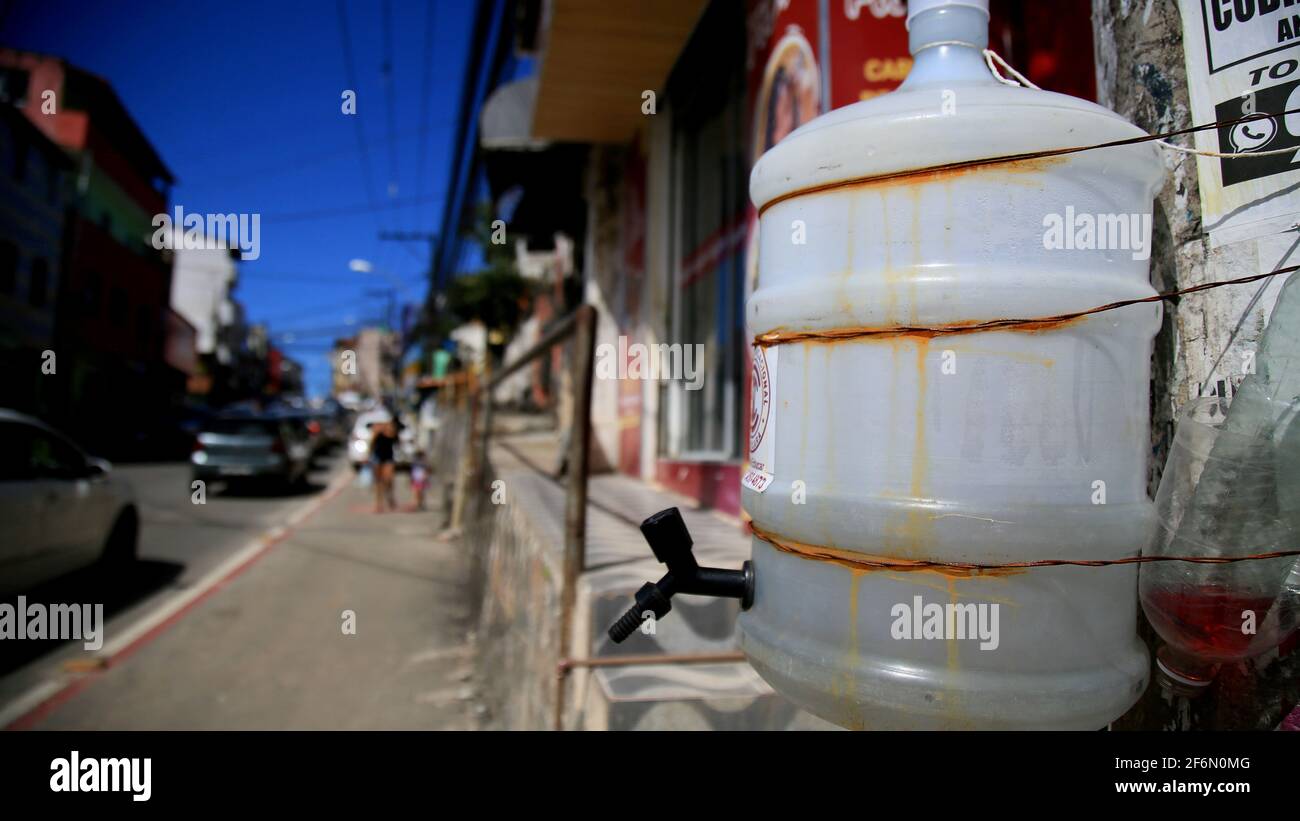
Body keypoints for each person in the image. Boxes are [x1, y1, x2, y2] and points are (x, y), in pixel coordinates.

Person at [369, 420, 398, 513]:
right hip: (378, 458)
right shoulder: (378, 434)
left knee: (388, 479)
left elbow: (395, 440)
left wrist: (390, 430)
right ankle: (378, 503)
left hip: (388, 458)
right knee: (378, 482)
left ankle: (390, 497)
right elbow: (371, 444)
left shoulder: (392, 434)